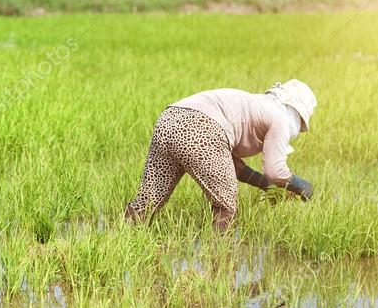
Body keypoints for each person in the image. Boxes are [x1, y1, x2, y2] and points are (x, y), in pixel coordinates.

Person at [125, 79, 316, 230]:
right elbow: (275, 171)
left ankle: (124, 238)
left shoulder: (255, 104)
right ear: (298, 116)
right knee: (226, 204)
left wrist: (270, 187)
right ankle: (219, 257)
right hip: (201, 127)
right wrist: (303, 186)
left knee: (148, 201)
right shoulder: (280, 118)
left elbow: (233, 167)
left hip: (168, 120)